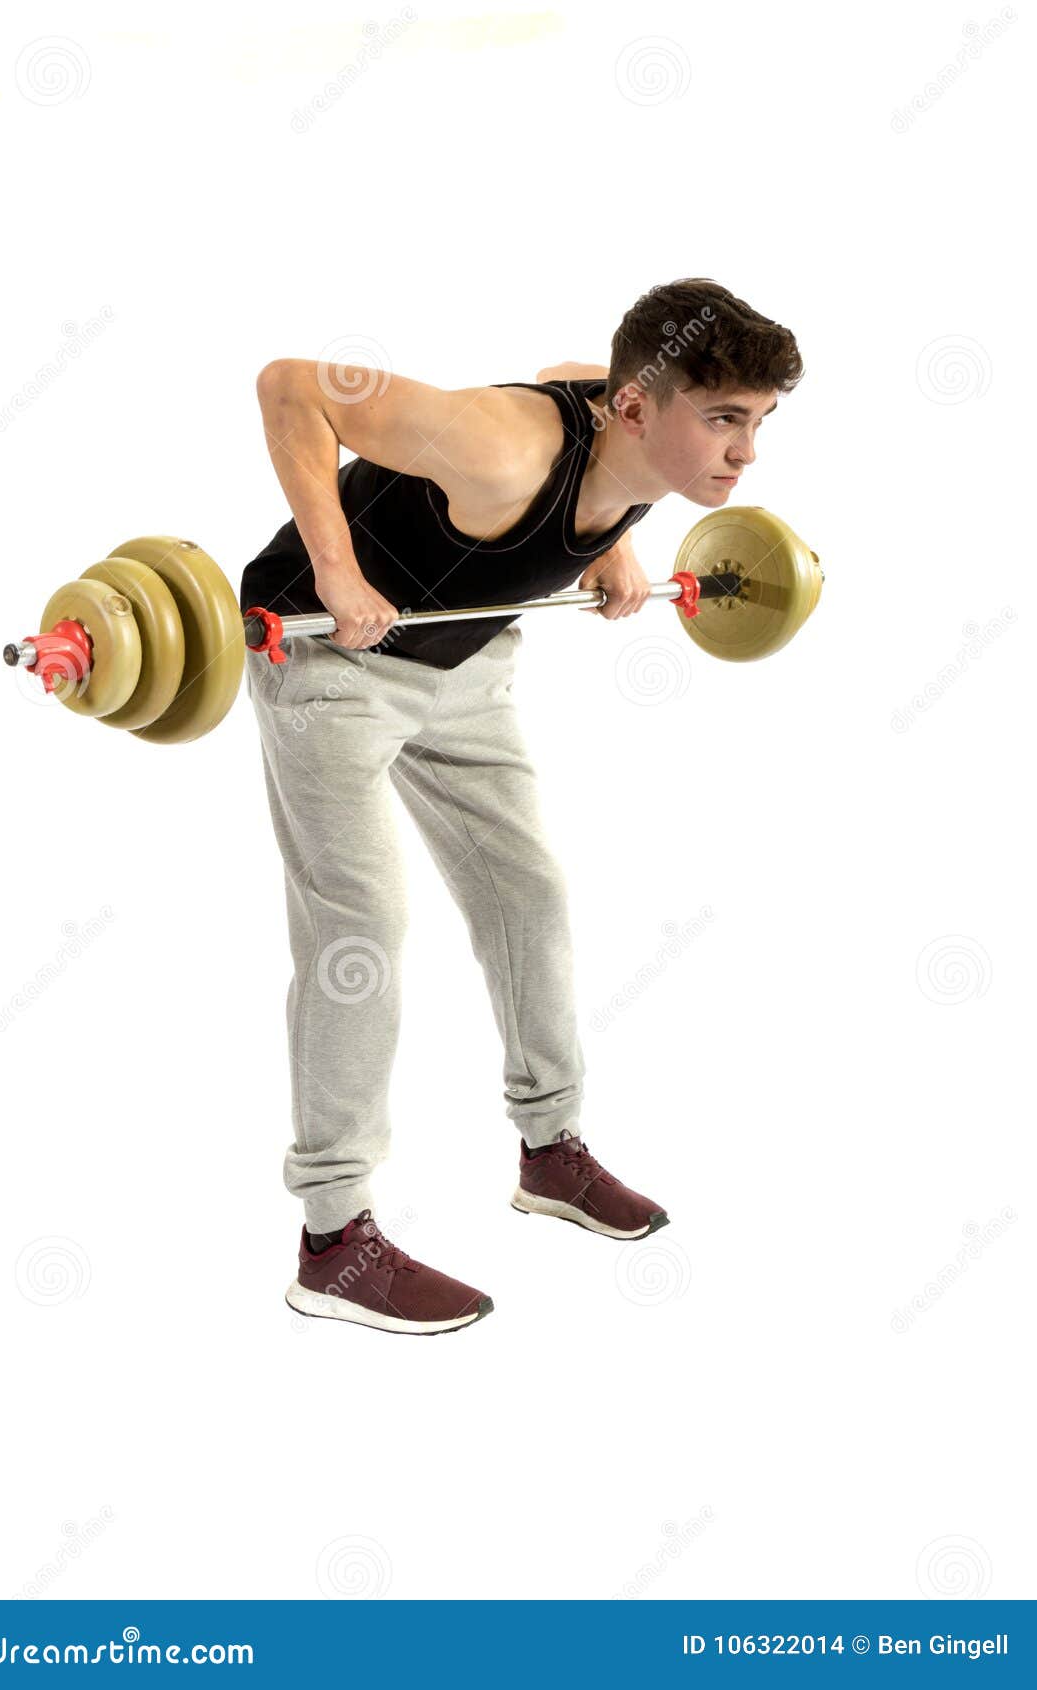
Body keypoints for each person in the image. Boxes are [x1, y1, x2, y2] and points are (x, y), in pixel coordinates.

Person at [241, 277, 803, 1337]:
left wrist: (613, 543)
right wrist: (337, 568)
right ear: (640, 410)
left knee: (529, 892)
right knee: (360, 926)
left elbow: (566, 375)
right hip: (330, 660)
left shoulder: (625, 420)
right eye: (723, 419)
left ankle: (550, 1153)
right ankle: (332, 1241)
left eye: (759, 421)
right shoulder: (496, 445)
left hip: (460, 660)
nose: (745, 451)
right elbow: (288, 390)